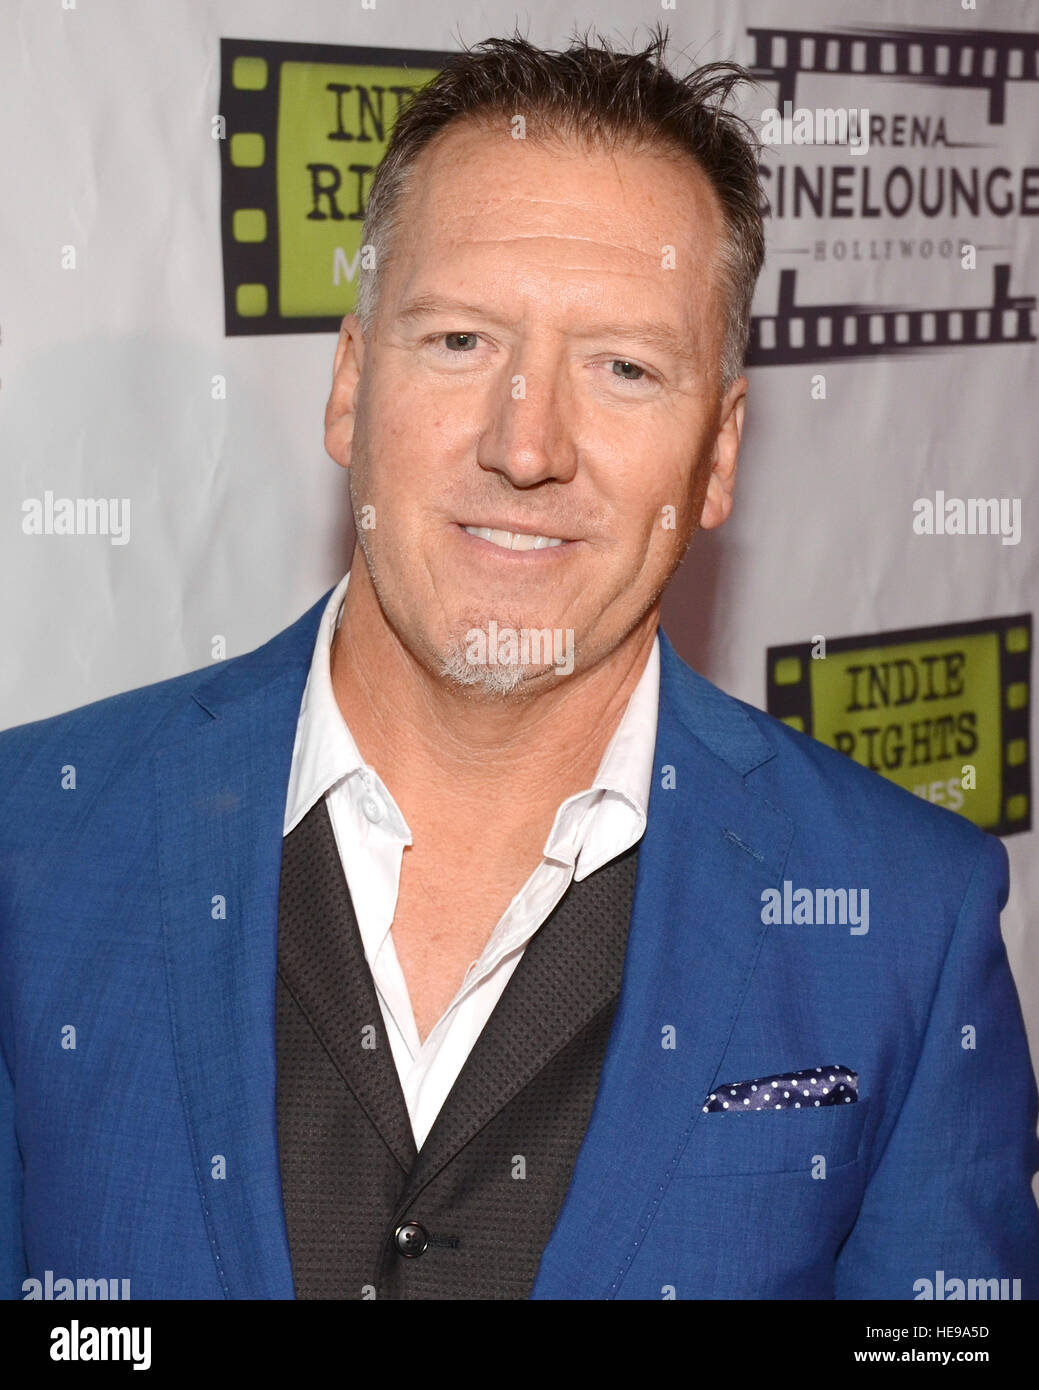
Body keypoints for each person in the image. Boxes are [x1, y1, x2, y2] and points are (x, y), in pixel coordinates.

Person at [1, 28, 1037, 1302]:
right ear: (348, 384)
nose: (527, 442)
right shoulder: (31, 846)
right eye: (459, 342)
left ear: (717, 455)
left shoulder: (902, 921)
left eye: (624, 368)